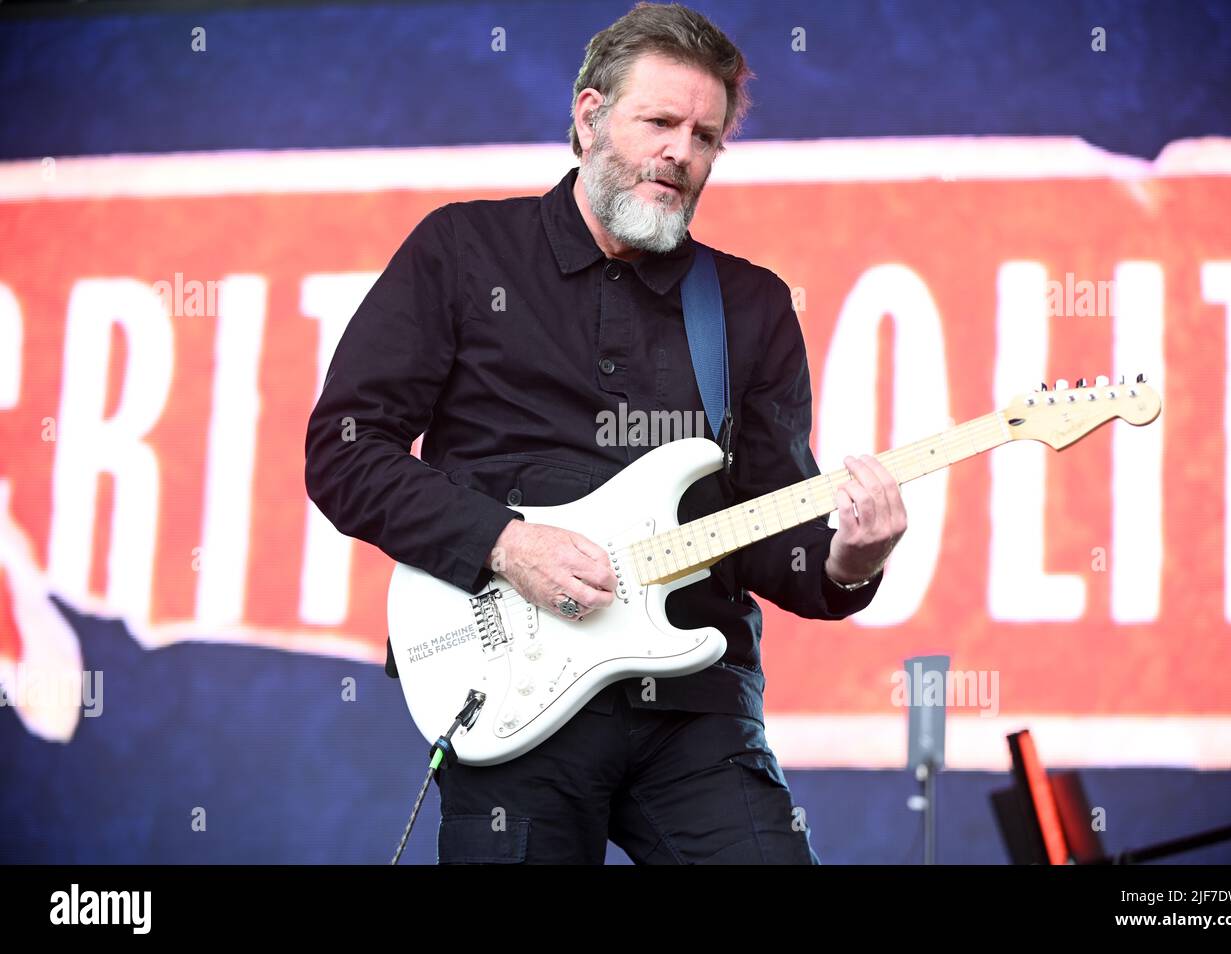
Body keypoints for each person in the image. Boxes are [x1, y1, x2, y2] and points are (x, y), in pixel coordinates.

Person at [304, 1, 906, 864]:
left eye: (704, 137)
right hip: (509, 690)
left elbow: (774, 536)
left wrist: (851, 560)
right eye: (659, 122)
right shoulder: (463, 252)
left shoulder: (750, 305)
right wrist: (504, 543)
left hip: (696, 709)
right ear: (588, 117)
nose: (680, 154)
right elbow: (344, 452)